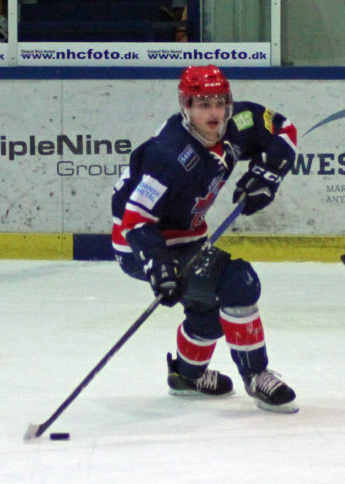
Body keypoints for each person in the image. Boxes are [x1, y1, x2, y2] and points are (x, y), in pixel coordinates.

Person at [111, 64, 300, 413]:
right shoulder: (168, 155)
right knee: (237, 281)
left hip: (187, 236)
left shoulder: (236, 123)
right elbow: (135, 221)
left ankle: (187, 375)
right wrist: (159, 268)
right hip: (142, 245)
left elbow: (282, 129)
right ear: (186, 106)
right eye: (202, 104)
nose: (213, 113)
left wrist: (269, 174)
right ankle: (256, 375)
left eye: (219, 102)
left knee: (208, 310)